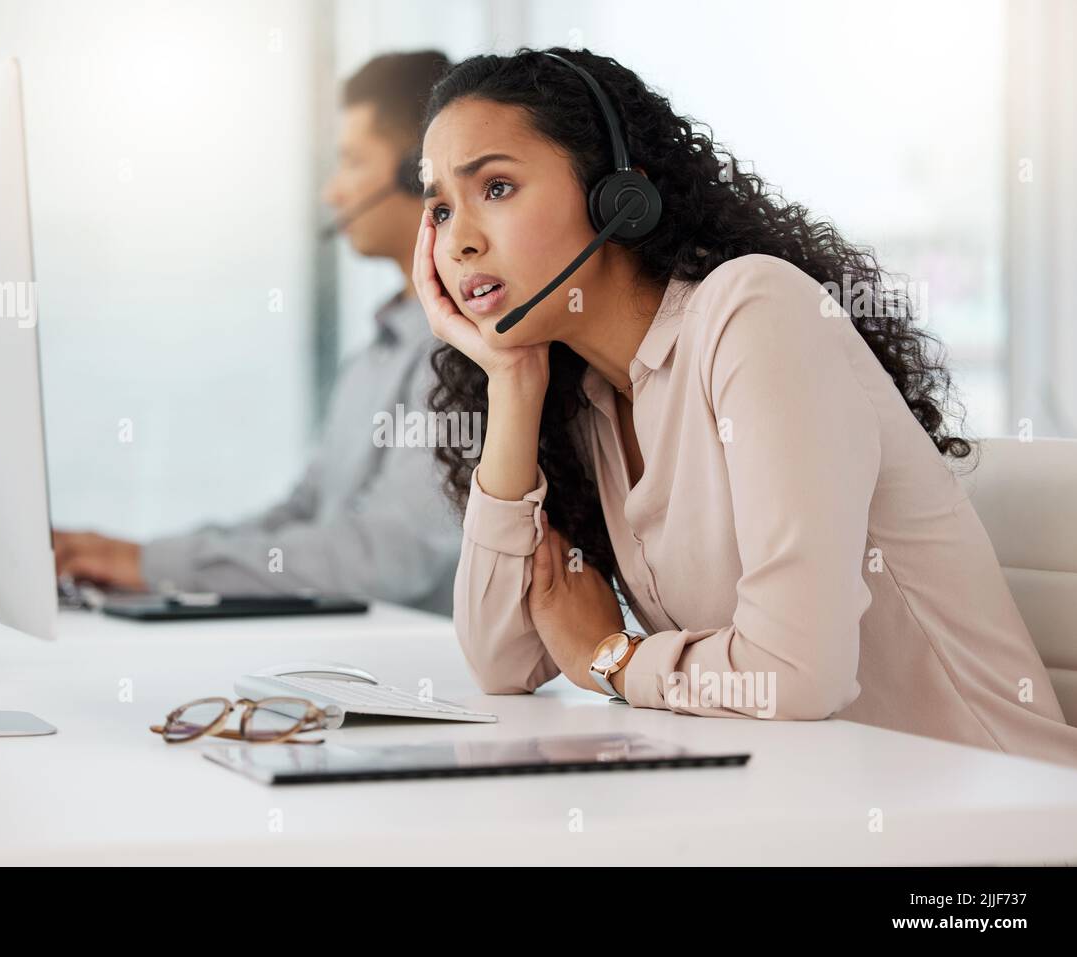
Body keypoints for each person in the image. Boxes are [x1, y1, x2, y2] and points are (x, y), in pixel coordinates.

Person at [412, 46, 1077, 766]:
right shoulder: (587, 401)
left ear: (615, 196)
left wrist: (611, 656)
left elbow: (796, 676)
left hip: (999, 815)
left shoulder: (754, 312)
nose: (462, 241)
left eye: (498, 188)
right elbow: (501, 661)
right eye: (441, 209)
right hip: (809, 805)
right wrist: (512, 382)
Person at [55, 51, 461, 616]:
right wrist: (147, 561)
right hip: (346, 657)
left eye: (349, 161)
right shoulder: (376, 352)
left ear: (414, 172)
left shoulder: (464, 352)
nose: (332, 193)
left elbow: (390, 559)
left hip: (423, 677)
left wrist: (153, 566)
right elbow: (303, 512)